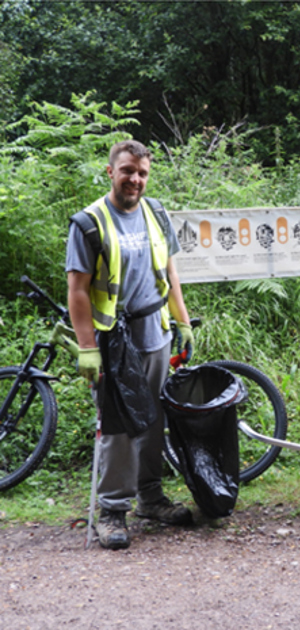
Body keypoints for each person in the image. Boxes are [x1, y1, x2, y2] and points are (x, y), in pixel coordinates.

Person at [66, 139, 195, 550]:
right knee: (118, 426)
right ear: (110, 172)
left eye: (141, 173)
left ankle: (151, 499)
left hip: (153, 332)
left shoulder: (156, 213)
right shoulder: (88, 223)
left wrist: (183, 322)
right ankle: (112, 510)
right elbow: (78, 291)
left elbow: (170, 273)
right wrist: (87, 347)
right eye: (127, 171)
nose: (134, 179)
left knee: (154, 417)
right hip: (112, 341)